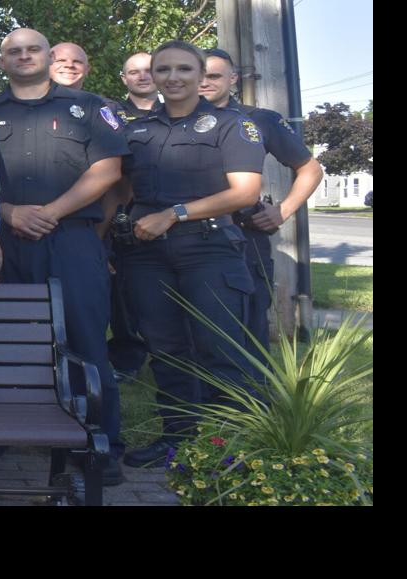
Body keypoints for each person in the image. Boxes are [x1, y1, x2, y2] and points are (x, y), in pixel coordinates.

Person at [0, 28, 127, 485]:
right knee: (1, 342)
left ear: (49, 56)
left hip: (72, 239)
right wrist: (7, 212)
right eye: (13, 51)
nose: (24, 56)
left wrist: (50, 212)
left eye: (32, 49)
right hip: (2, 241)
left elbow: (108, 170)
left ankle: (100, 446)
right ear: (1, 62)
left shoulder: (93, 108)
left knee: (85, 340)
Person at [115, 41, 265, 469]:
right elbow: (123, 189)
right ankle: (177, 442)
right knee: (166, 351)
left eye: (184, 69)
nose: (173, 77)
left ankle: (231, 448)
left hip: (209, 250)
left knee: (220, 350)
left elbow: (244, 192)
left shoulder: (230, 125)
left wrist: (174, 214)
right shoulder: (137, 129)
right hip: (145, 255)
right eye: (163, 70)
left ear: (202, 76)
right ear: (153, 76)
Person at [200, 48, 324, 349]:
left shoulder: (259, 120)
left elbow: (310, 169)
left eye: (214, 75)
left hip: (242, 234)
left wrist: (283, 210)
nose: (205, 82)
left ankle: (254, 393)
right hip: (185, 233)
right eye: (199, 74)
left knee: (250, 323)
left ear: (233, 79)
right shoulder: (168, 121)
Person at [106, 50, 159, 381]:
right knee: (122, 296)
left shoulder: (177, 112)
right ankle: (127, 361)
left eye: (148, 70)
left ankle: (173, 360)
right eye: (134, 71)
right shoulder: (110, 114)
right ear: (124, 79)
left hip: (166, 214)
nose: (142, 76)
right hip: (121, 216)